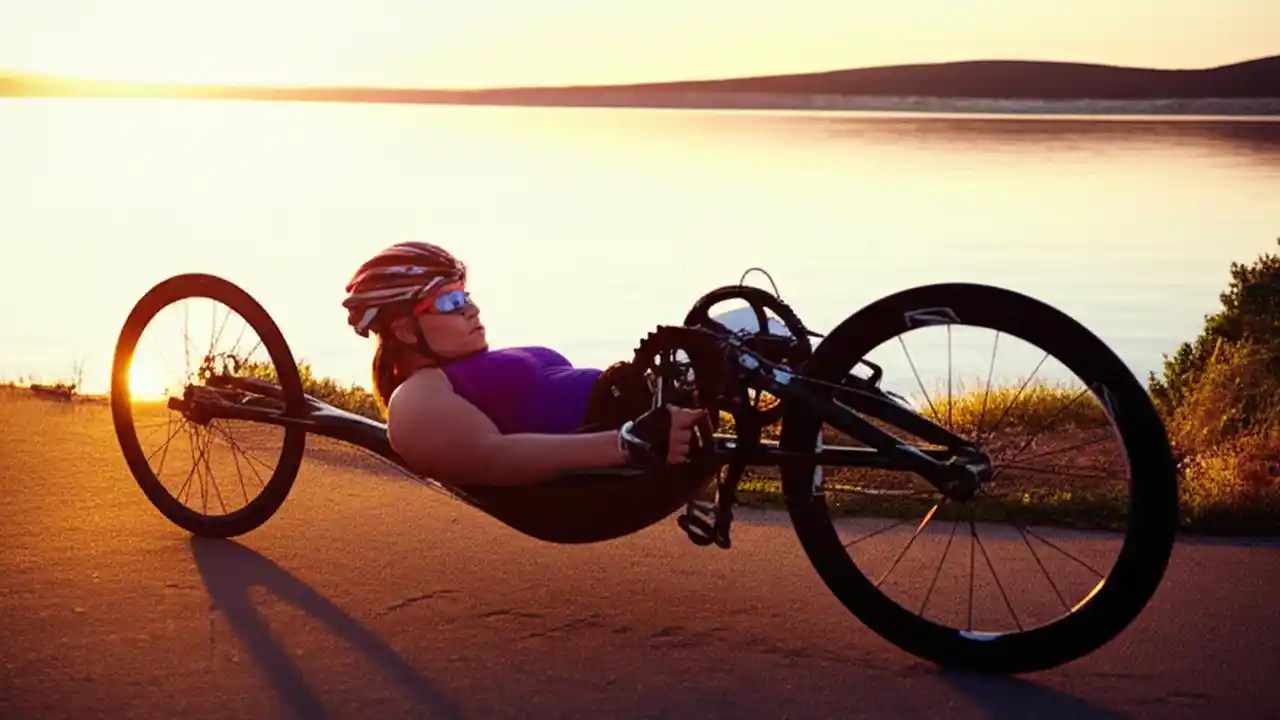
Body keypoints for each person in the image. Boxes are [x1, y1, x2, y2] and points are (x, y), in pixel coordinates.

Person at [342, 241, 709, 487]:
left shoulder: (467, 372)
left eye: (465, 296)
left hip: (639, 398)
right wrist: (630, 441)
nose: (472, 308)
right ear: (406, 329)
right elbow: (490, 457)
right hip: (626, 418)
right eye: (451, 302)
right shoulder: (416, 398)